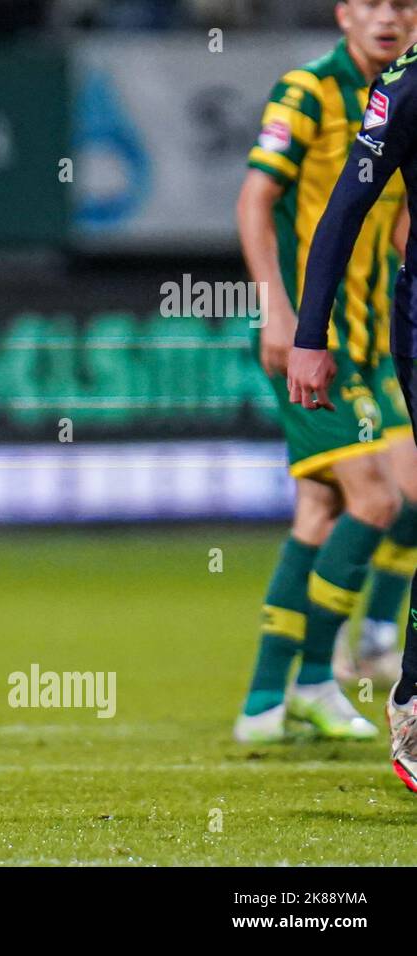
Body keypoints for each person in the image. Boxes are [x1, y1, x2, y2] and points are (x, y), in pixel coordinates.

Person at [234, 0, 417, 744]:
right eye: (372, 3)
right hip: (316, 337)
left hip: (378, 342)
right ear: (343, 14)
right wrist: (276, 310)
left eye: (403, 4)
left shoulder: (404, 94)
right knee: (371, 501)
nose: (388, 18)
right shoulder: (308, 91)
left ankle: (264, 701)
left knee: (328, 508)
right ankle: (319, 676)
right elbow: (255, 200)